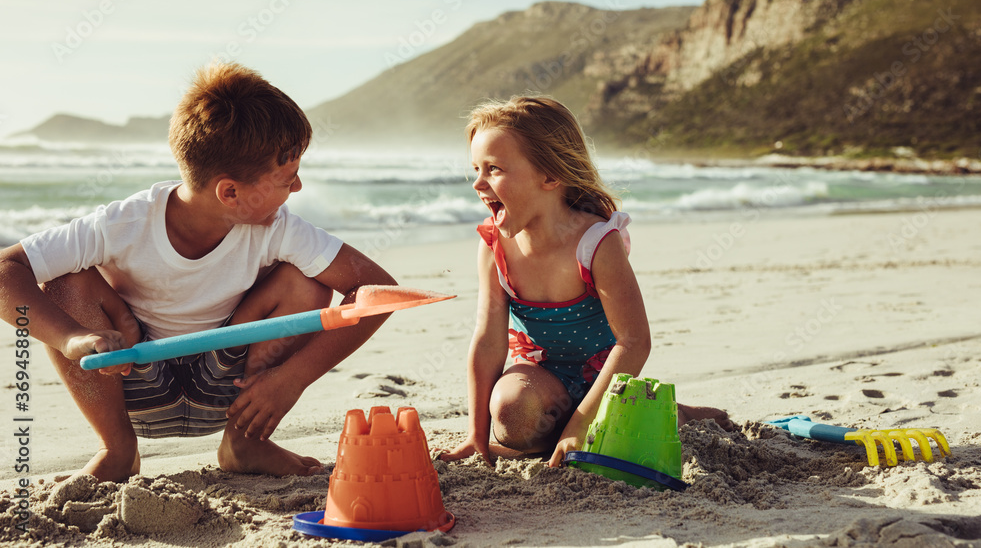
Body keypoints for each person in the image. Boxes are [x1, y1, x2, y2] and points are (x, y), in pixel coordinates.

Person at [0, 62, 396, 482]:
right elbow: (6, 268)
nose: (296, 189)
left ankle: (245, 443)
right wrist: (71, 337)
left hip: (235, 393)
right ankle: (117, 449)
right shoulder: (122, 225)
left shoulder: (278, 228)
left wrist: (291, 378)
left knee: (307, 281)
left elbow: (377, 289)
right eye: (287, 178)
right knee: (66, 281)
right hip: (133, 377)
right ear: (230, 192)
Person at [441, 96, 729, 468]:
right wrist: (476, 436)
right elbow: (487, 342)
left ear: (550, 175)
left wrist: (579, 423)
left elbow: (634, 341)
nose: (479, 183)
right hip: (539, 379)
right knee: (513, 418)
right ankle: (563, 430)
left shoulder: (595, 243)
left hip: (605, 379)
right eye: (476, 169)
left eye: (494, 169)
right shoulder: (496, 247)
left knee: (613, 433)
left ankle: (674, 412)